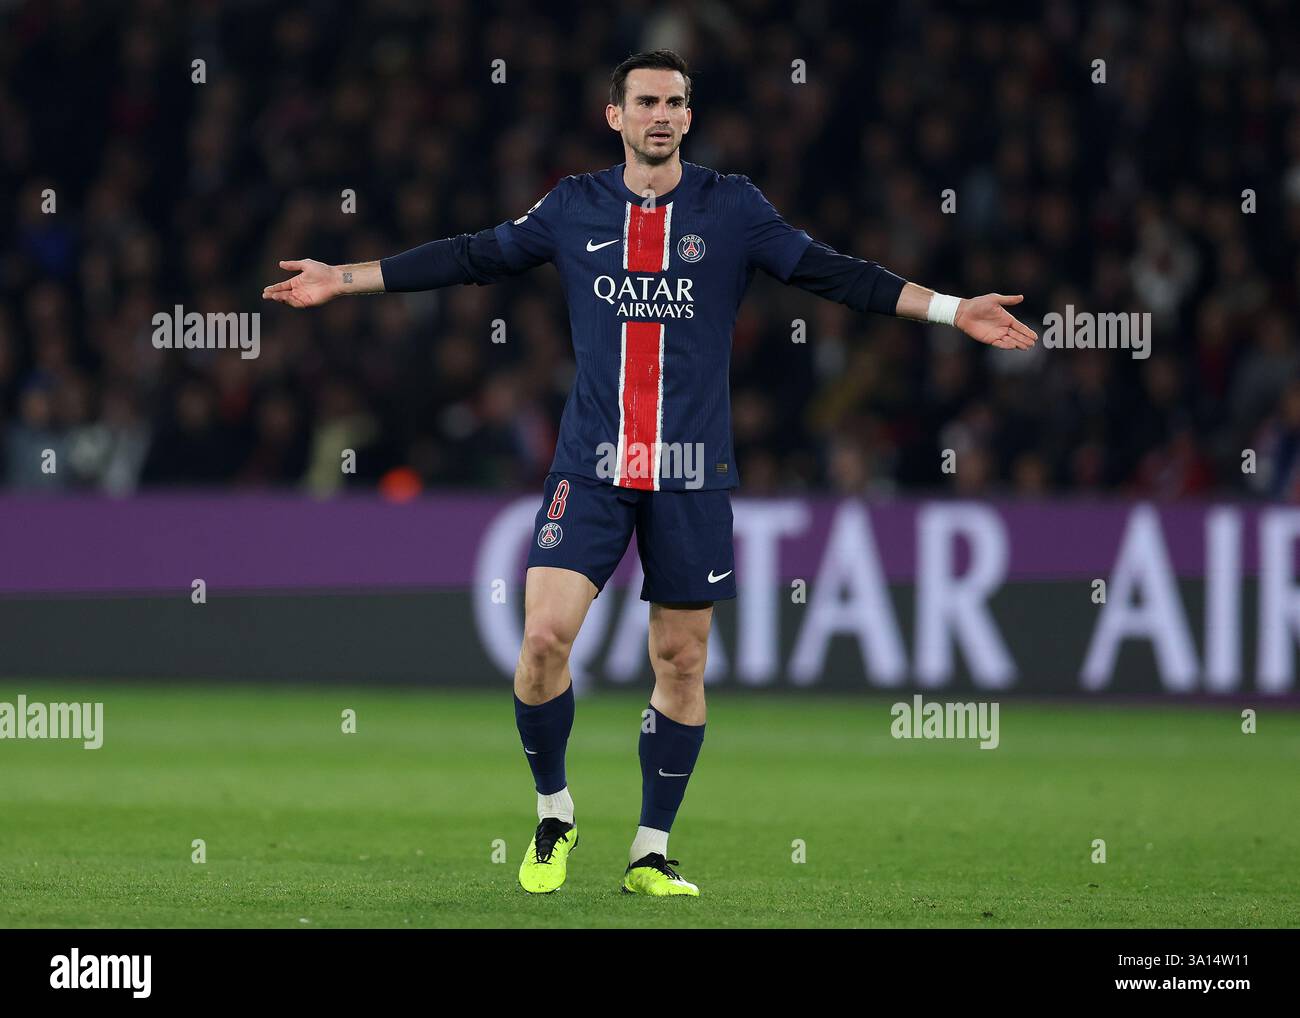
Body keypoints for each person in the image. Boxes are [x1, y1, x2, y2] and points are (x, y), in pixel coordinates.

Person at [263, 49, 1037, 898]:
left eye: (675, 102)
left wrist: (956, 309)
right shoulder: (572, 205)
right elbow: (472, 255)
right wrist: (343, 277)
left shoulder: (732, 207)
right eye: (645, 102)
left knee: (680, 660)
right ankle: (555, 813)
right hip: (591, 466)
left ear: (688, 118)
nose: (661, 114)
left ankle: (649, 851)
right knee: (542, 643)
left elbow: (833, 273)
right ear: (616, 117)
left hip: (692, 472)